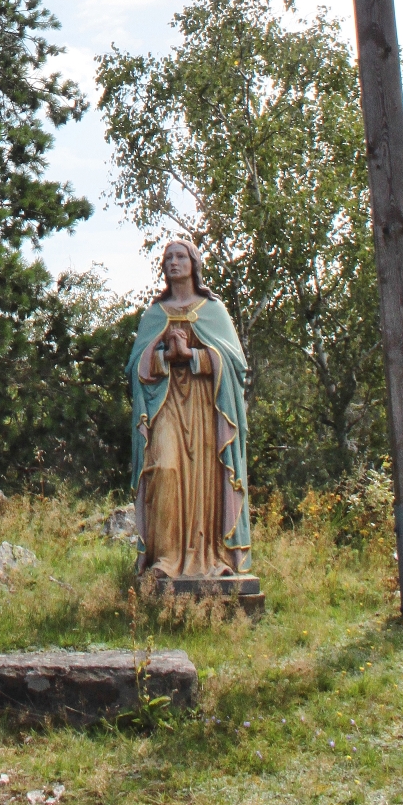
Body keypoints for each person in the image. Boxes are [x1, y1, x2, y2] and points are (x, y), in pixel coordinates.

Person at [126, 239, 253, 580]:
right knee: (165, 469)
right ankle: (164, 559)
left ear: (194, 264)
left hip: (205, 405)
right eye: (167, 258)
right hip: (166, 403)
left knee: (207, 479)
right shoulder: (155, 314)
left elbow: (235, 364)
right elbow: (135, 367)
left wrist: (193, 356)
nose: (173, 262)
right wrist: (166, 355)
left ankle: (214, 558)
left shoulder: (214, 311)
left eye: (180, 256)